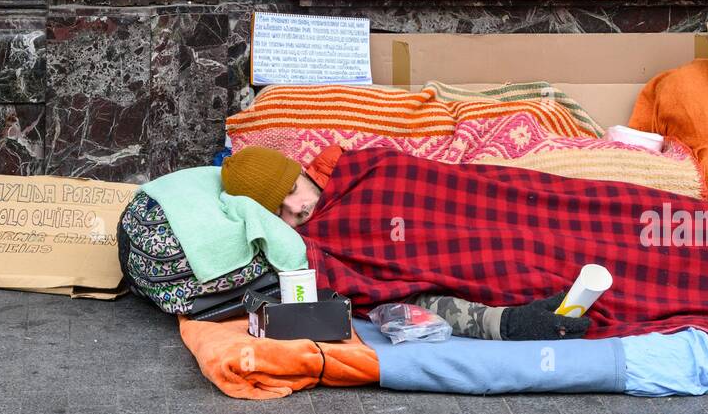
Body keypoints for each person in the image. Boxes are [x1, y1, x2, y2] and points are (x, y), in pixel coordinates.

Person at [220, 145, 588, 341]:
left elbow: (442, 182)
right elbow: (399, 299)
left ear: (300, 170)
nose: (297, 209)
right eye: (280, 211)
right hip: (502, 268)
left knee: (574, 211)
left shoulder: (364, 168)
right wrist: (502, 323)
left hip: (503, 204)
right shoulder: (319, 251)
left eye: (292, 191)